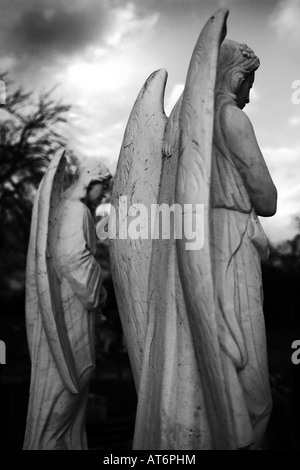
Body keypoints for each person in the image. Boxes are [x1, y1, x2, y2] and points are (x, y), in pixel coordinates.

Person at [210, 39, 277, 448]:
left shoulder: (188, 122)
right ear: (237, 77)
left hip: (201, 244)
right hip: (233, 245)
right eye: (249, 82)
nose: (250, 94)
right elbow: (267, 200)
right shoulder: (231, 119)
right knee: (253, 387)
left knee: (219, 362)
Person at [24, 157, 112, 450]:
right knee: (74, 377)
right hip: (73, 302)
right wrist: (97, 292)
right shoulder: (75, 210)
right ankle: (50, 442)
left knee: (76, 379)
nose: (105, 194)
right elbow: (72, 258)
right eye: (103, 186)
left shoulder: (69, 208)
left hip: (74, 300)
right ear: (89, 181)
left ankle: (60, 442)